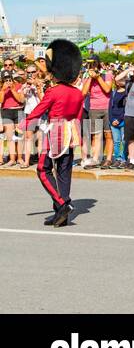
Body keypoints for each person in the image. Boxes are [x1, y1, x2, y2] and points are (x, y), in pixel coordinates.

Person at [24, 40, 84, 227]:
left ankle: (61, 204)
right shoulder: (77, 93)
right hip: (70, 131)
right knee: (64, 173)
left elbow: (38, 110)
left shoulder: (53, 91)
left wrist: (23, 125)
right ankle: (61, 215)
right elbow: (78, 116)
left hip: (55, 132)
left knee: (43, 169)